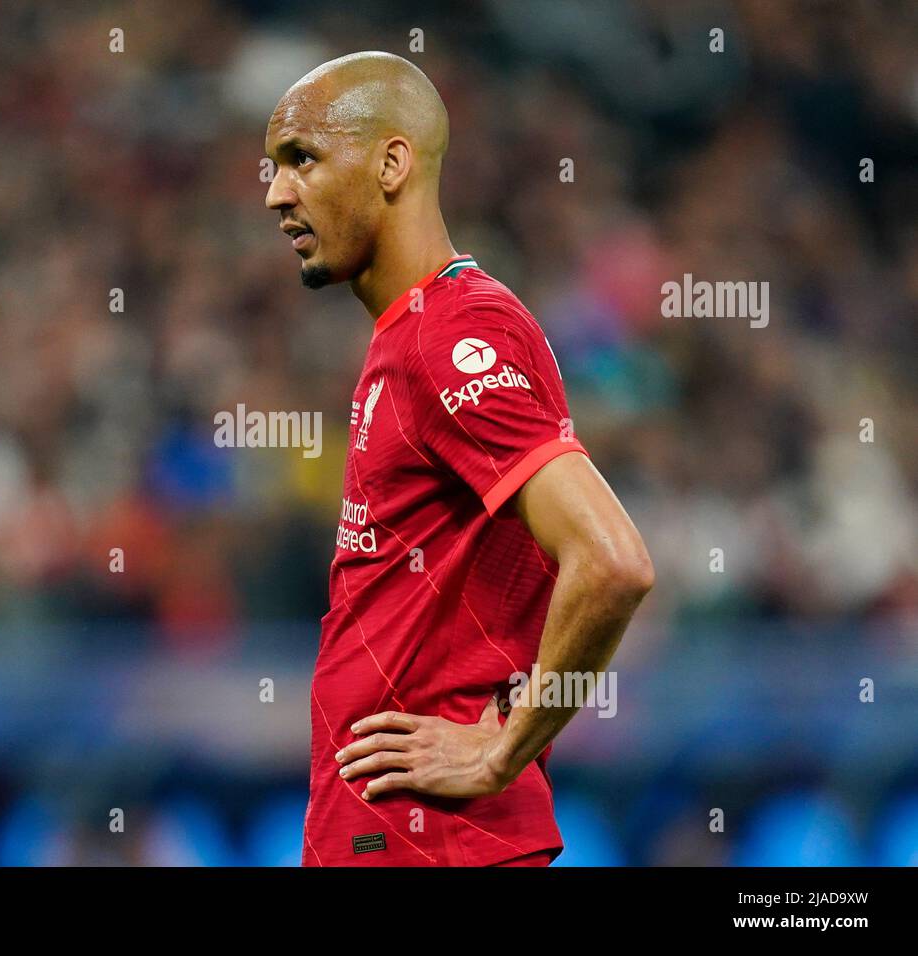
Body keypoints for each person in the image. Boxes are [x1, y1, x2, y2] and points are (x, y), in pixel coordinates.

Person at [264, 51, 654, 866]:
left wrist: (502, 749)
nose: (276, 193)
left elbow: (613, 561)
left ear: (392, 162)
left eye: (302, 159)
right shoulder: (411, 334)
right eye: (272, 168)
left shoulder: (452, 335)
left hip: (433, 843)